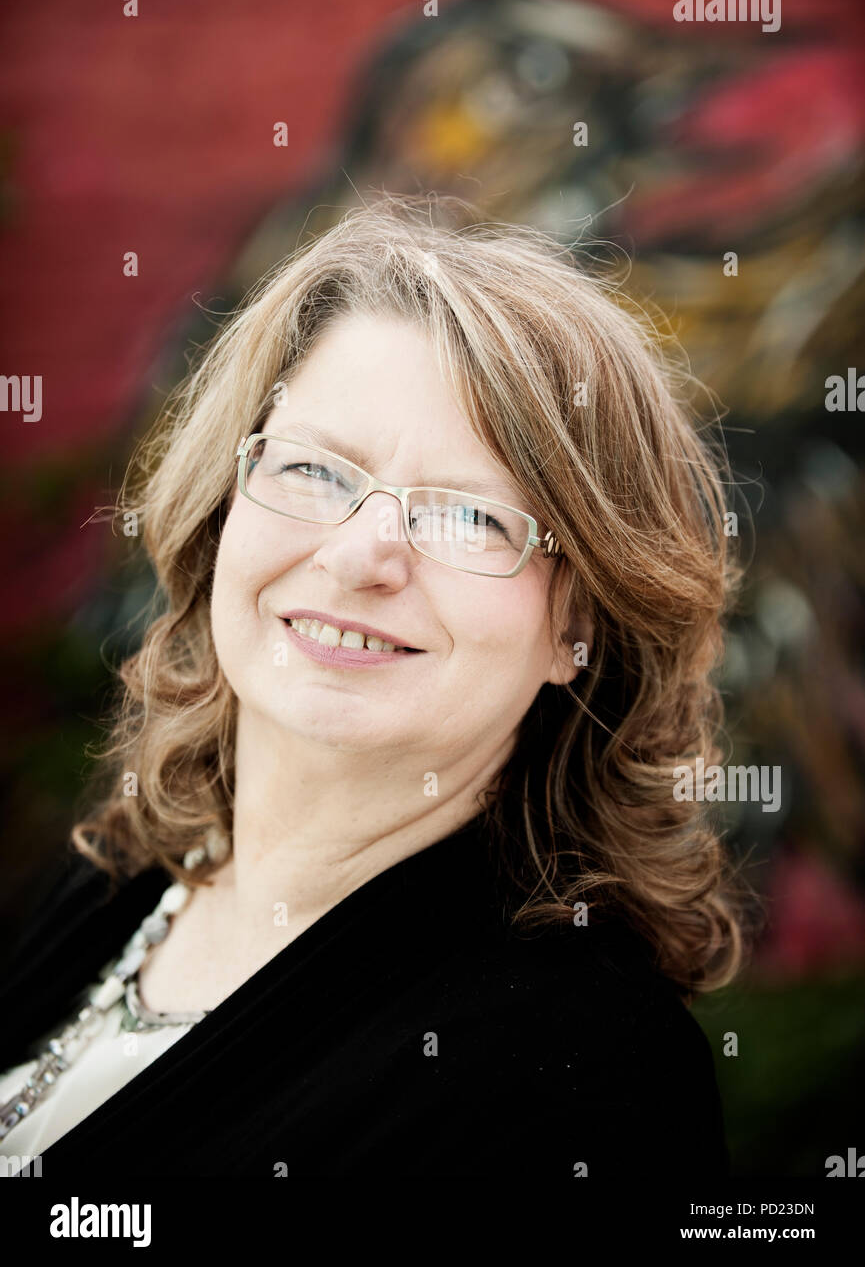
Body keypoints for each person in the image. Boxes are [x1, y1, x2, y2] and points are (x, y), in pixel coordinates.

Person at [0, 194, 753, 1178]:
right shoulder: (119, 874)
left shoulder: (581, 1079)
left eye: (470, 518)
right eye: (315, 468)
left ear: (577, 621)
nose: (361, 556)